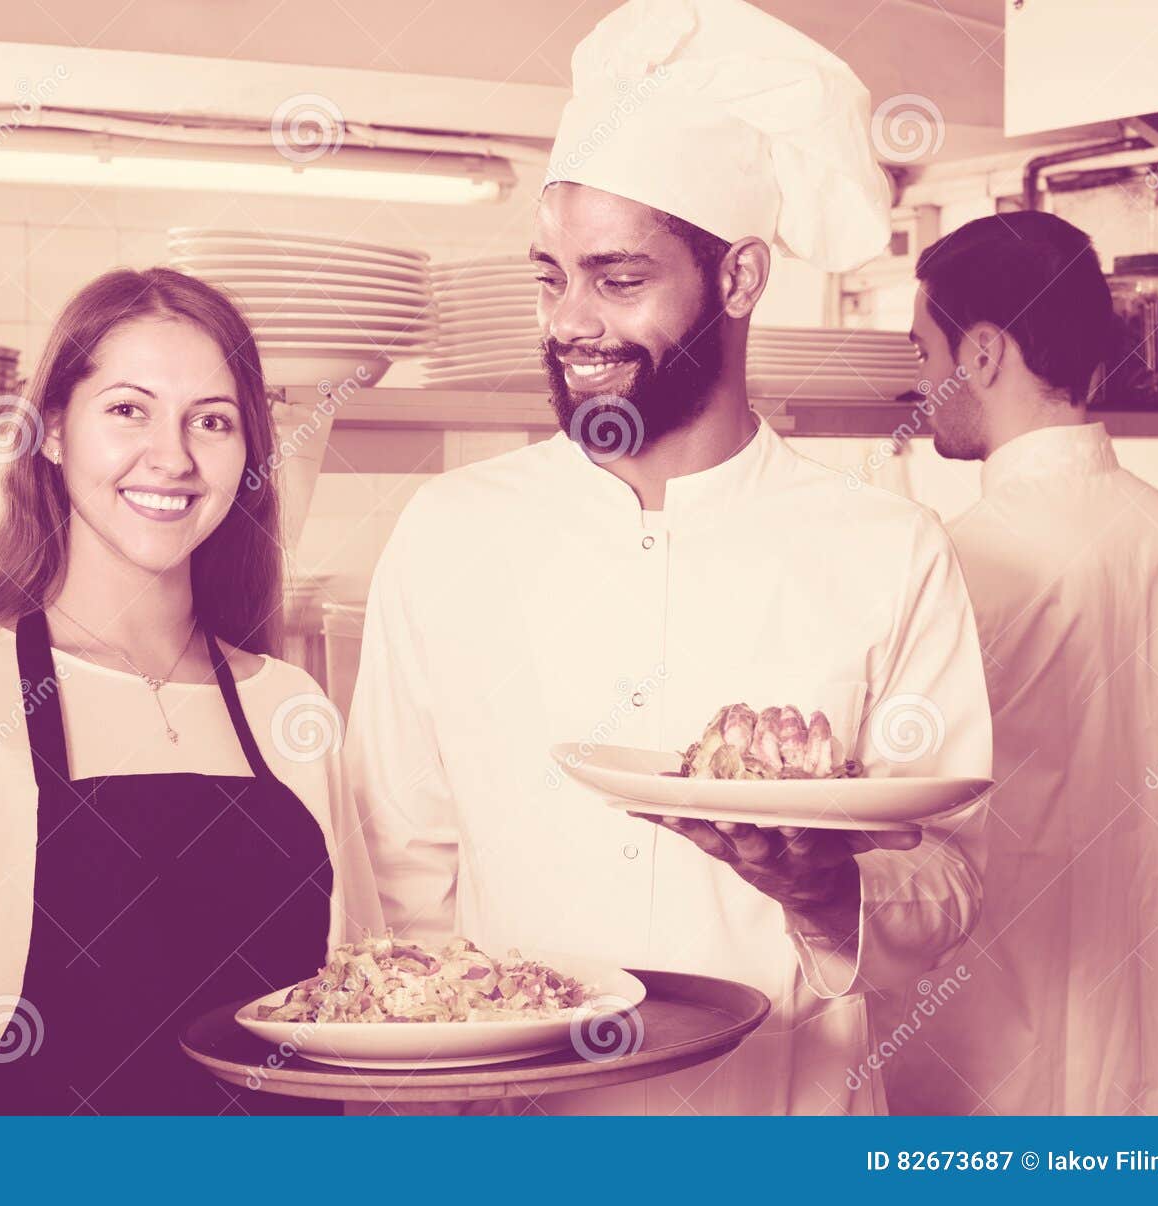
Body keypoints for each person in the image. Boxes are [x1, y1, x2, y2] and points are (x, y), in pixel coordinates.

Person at [347, 0, 993, 1115]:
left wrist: (825, 889)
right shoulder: (449, 532)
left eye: (617, 278)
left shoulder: (886, 549)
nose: (569, 321)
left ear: (739, 279)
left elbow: (948, 878)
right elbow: (397, 879)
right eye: (548, 276)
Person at [0, 268, 382, 1116]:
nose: (173, 457)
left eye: (212, 420)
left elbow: (367, 1024)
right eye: (128, 409)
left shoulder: (292, 710)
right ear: (51, 432)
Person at [880, 211, 1158, 1114]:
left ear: (984, 353)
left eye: (924, 354)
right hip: (1155, 1089)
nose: (919, 384)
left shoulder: (956, 562)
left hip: (988, 1086)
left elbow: (895, 822)